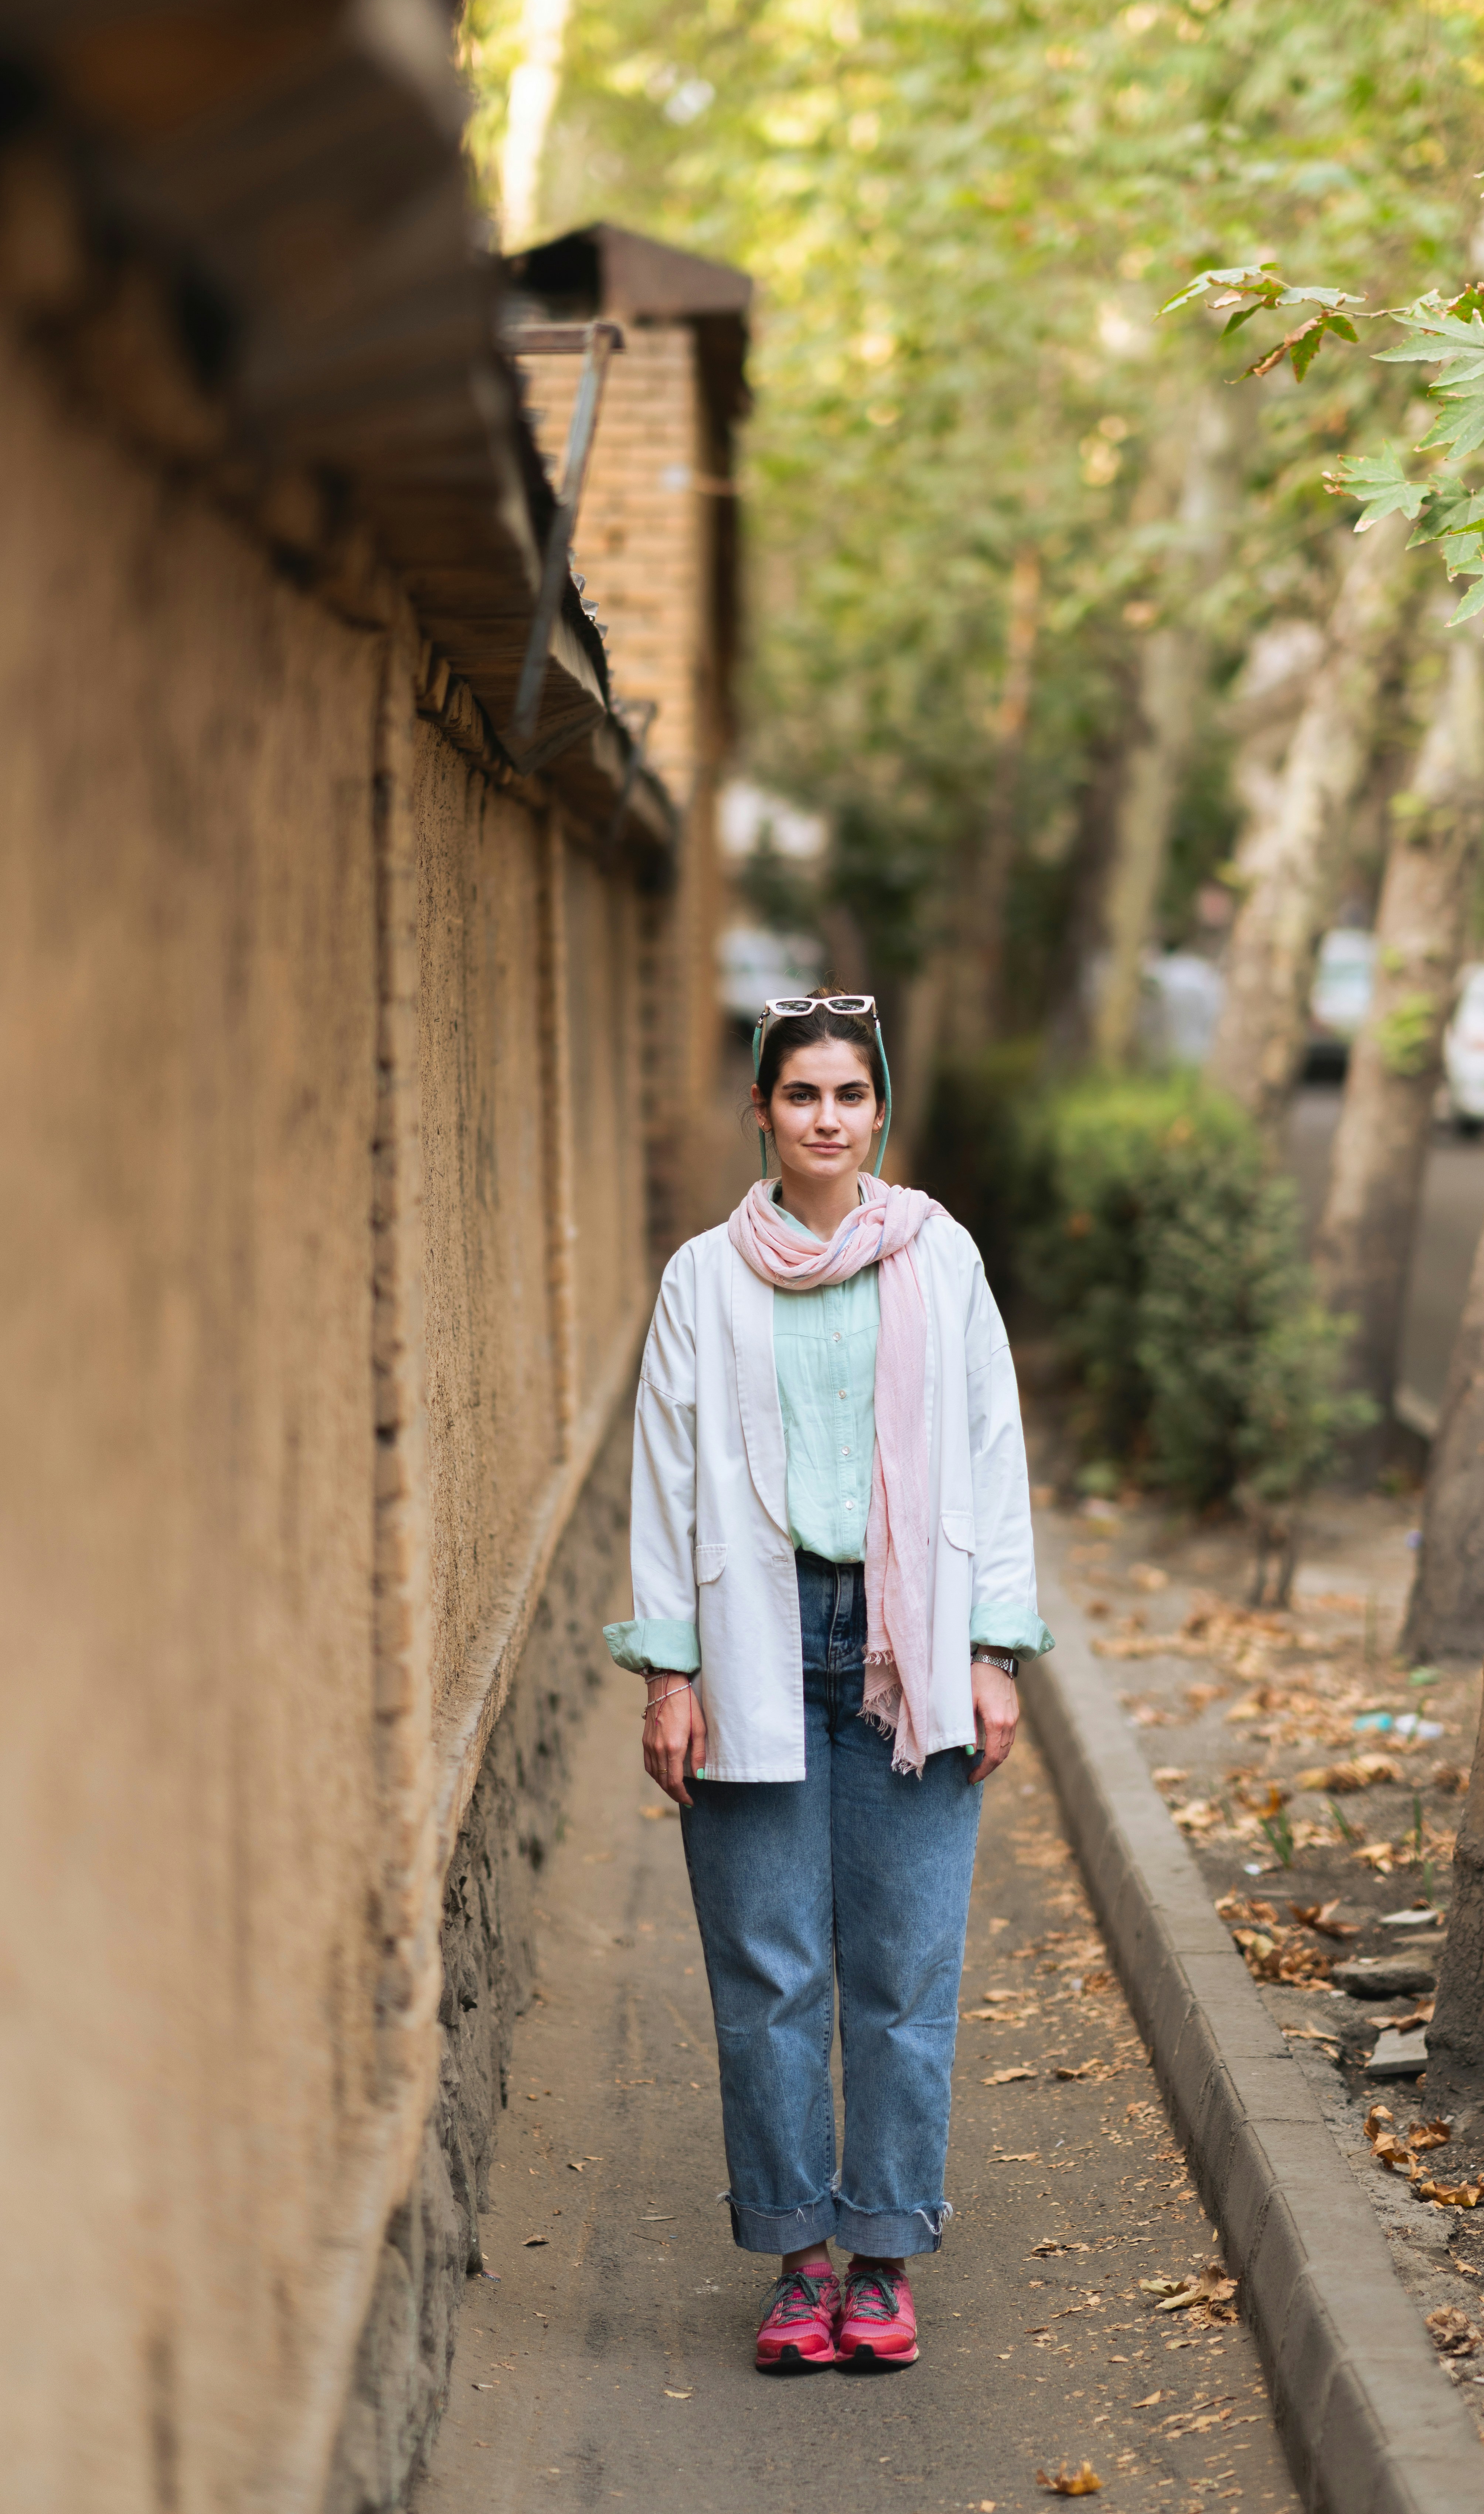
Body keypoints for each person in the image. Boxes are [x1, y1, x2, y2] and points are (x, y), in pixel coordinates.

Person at [604, 992, 1052, 2374]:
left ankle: (885, 2259)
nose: (826, 1118)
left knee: (904, 1970)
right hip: (759, 1637)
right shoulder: (704, 1277)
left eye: (849, 1095)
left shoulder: (939, 1256)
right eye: (800, 1094)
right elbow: (665, 1473)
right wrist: (669, 1672)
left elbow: (992, 1446)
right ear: (762, 1111)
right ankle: (799, 2262)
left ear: (879, 1111)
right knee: (768, 1969)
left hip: (908, 1647)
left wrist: (991, 1651)